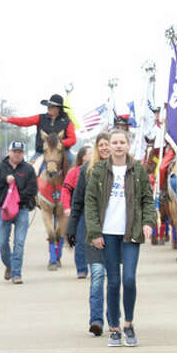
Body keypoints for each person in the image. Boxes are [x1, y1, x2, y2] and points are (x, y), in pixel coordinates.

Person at [85, 129, 157, 347]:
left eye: (121, 142)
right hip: (107, 234)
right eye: (114, 142)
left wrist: (148, 222)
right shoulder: (99, 170)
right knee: (113, 282)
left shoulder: (138, 171)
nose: (117, 146)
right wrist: (95, 233)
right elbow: (90, 204)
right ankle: (114, 328)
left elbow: (147, 199)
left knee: (129, 279)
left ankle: (129, 323)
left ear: (128, 145)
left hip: (130, 233)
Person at [67, 133, 111, 336]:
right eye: (101, 145)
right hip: (91, 228)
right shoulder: (86, 170)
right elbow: (77, 203)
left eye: (107, 144)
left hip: (115, 230)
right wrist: (72, 227)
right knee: (97, 276)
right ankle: (96, 320)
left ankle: (114, 319)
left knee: (114, 278)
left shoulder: (122, 169)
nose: (105, 148)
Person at [0, 140, 38, 283]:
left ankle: (16, 274)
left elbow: (33, 188)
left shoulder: (28, 169)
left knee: (19, 242)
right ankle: (9, 265)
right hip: (4, 210)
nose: (17, 154)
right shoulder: (0, 167)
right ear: (9, 152)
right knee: (2, 242)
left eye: (20, 152)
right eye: (14, 151)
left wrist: (18, 199)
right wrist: (4, 180)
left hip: (21, 209)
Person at [0, 94, 76, 158]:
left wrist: (60, 142)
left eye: (52, 106)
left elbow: (73, 139)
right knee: (29, 169)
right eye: (48, 105)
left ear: (58, 108)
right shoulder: (40, 118)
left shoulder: (67, 122)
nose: (48, 108)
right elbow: (25, 121)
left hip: (62, 152)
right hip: (41, 153)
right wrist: (8, 119)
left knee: (76, 166)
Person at [64, 147, 90, 279]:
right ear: (82, 157)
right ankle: (81, 268)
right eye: (89, 153)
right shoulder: (74, 172)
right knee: (80, 240)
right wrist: (66, 207)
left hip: (94, 210)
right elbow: (66, 190)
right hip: (80, 209)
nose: (92, 155)